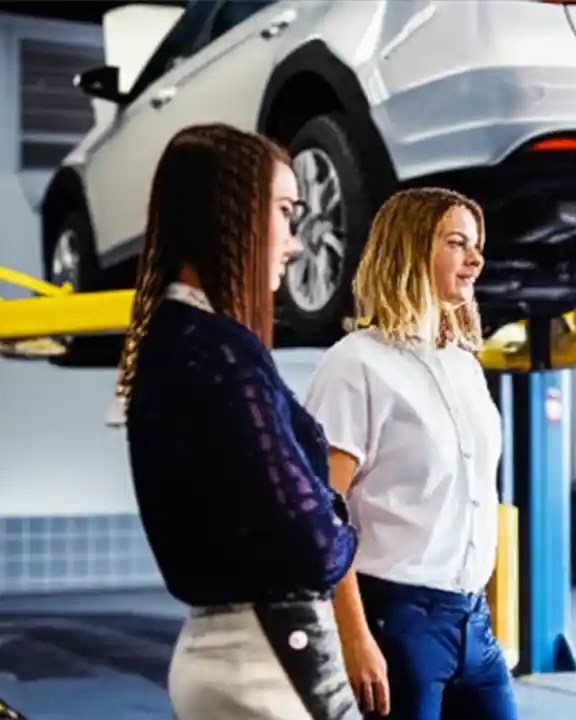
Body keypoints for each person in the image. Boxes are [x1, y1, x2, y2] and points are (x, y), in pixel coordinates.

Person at [118, 123, 362, 719]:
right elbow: (314, 547)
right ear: (226, 215)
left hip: (224, 655)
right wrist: (344, 524)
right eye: (284, 212)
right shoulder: (220, 353)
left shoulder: (169, 344)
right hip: (268, 662)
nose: (295, 244)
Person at [303, 187, 514, 719]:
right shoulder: (356, 364)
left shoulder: (464, 366)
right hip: (395, 619)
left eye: (477, 246)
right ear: (412, 249)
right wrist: (354, 638)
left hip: (472, 621)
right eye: (457, 243)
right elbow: (321, 515)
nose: (475, 260)